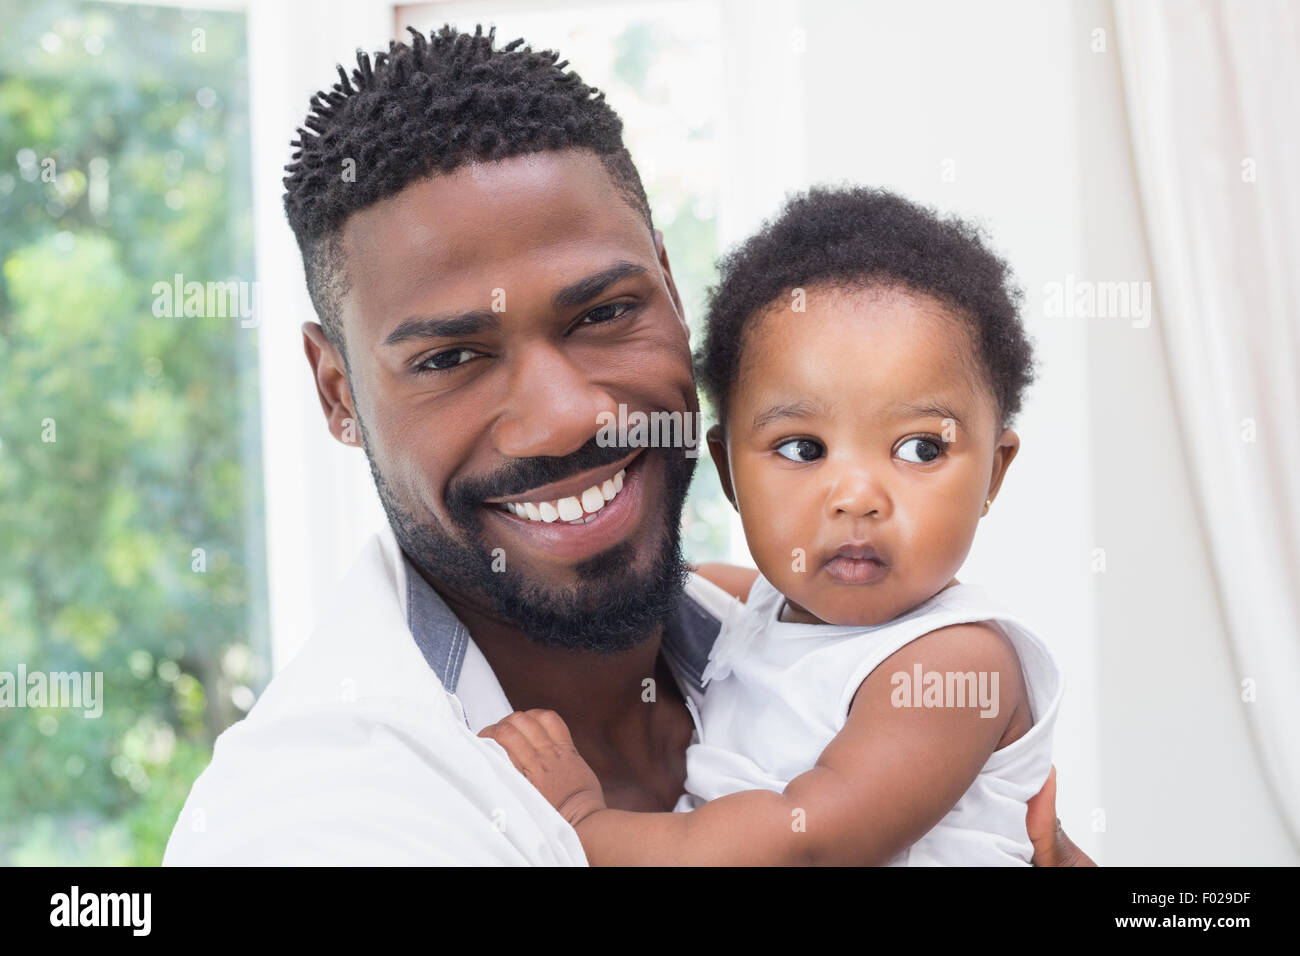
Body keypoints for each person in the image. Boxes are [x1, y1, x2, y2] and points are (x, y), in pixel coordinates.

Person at [162, 26, 1092, 866]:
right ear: (339, 392)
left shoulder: (791, 630)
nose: (567, 417)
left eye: (604, 312)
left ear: (671, 289)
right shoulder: (320, 824)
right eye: (451, 357)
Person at [482, 186, 1065, 865]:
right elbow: (694, 588)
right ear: (728, 475)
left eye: (919, 449)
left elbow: (803, 843)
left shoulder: (955, 664)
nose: (855, 498)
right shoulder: (762, 605)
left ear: (994, 473)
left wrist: (582, 823)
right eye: (802, 450)